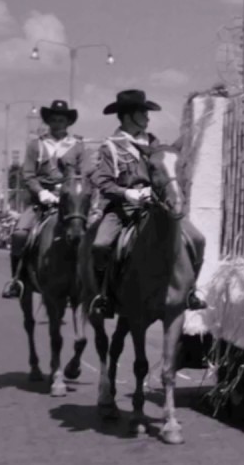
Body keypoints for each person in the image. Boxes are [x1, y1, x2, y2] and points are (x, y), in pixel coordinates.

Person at [89, 89, 207, 315]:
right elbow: (103, 181)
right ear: (127, 116)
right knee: (101, 245)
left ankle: (190, 292)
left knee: (198, 239)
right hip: (122, 208)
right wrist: (126, 193)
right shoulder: (110, 146)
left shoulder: (154, 142)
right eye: (143, 113)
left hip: (156, 207)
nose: (148, 118)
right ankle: (102, 295)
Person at [1, 100, 86, 299]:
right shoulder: (35, 145)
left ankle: (93, 282)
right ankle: (17, 280)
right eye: (54, 120)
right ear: (48, 122)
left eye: (62, 120)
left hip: (71, 201)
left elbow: (85, 173)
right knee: (20, 234)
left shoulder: (78, 146)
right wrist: (41, 192)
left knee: (91, 232)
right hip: (41, 202)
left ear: (68, 122)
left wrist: (69, 190)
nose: (58, 124)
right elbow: (28, 174)